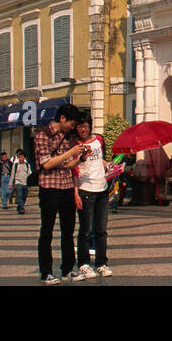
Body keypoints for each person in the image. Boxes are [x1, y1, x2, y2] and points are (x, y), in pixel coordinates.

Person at [33, 103, 86, 283]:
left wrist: (80, 159)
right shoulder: (42, 134)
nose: (74, 126)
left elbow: (66, 165)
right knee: (47, 231)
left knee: (68, 230)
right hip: (49, 187)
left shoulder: (67, 137)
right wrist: (70, 151)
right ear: (62, 118)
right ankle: (46, 271)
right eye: (72, 122)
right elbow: (46, 163)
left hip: (66, 187)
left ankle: (68, 268)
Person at [73, 116, 114, 278]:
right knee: (85, 230)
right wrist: (75, 192)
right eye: (79, 127)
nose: (82, 129)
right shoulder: (75, 145)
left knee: (101, 230)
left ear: (90, 126)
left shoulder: (98, 140)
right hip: (85, 189)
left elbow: (99, 160)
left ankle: (101, 263)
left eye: (85, 126)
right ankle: (83, 264)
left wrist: (109, 166)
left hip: (102, 189)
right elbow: (75, 169)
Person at [9, 149, 31, 214]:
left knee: (24, 197)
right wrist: (10, 184)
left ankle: (20, 206)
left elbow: (29, 174)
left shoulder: (27, 165)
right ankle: (21, 209)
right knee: (20, 195)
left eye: (22, 157)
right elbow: (12, 174)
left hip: (25, 183)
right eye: (19, 157)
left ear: (25, 158)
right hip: (18, 183)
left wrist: (30, 182)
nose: (20, 158)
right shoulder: (15, 165)